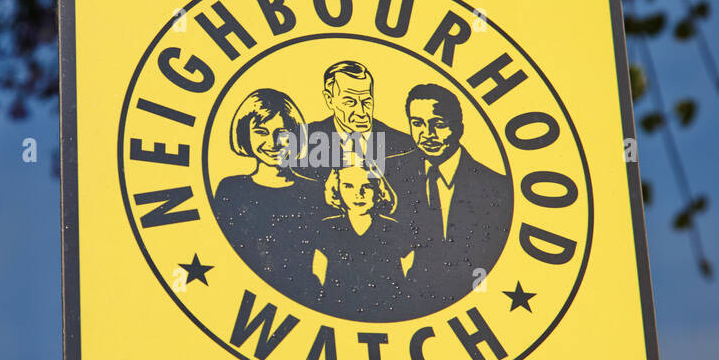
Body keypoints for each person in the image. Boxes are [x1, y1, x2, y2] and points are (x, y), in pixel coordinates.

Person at [395, 83, 513, 311]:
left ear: (458, 127)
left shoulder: (497, 188)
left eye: (438, 124)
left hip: (478, 304)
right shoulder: (394, 180)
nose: (427, 135)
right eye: (417, 123)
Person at [213, 88, 316, 299]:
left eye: (282, 133)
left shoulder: (313, 190)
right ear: (244, 134)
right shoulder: (231, 190)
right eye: (261, 132)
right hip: (239, 294)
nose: (272, 142)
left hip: (305, 297)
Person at [309, 159, 414, 321]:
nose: (359, 194)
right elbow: (318, 274)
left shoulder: (394, 230)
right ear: (337, 189)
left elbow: (408, 275)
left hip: (389, 314)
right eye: (349, 186)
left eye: (367, 186)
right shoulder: (327, 228)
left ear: (378, 189)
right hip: (337, 314)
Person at [296, 60, 413, 183]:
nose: (361, 112)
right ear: (329, 99)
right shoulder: (303, 141)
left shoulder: (403, 145)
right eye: (350, 102)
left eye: (366, 102)